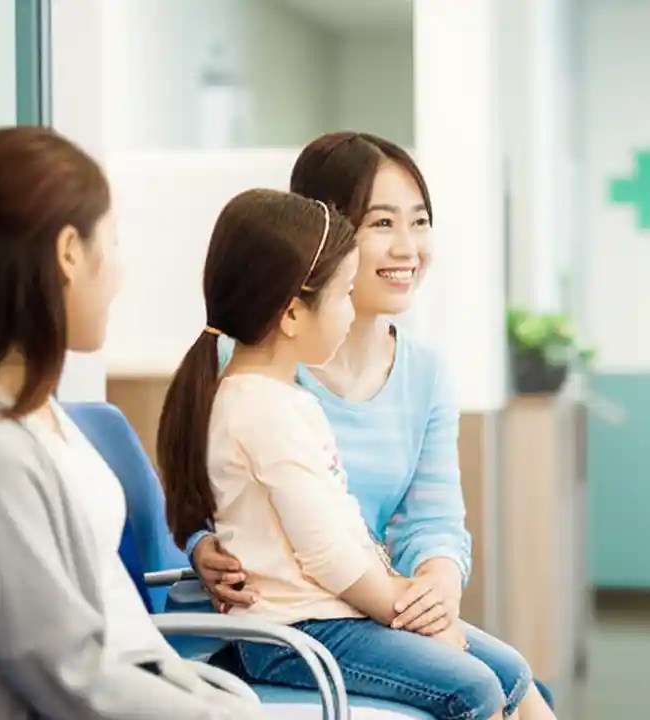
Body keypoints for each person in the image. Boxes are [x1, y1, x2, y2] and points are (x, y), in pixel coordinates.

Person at [183, 132, 556, 713]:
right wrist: (200, 543)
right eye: (382, 224)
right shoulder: (255, 372)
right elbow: (201, 493)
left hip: (364, 601)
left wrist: (433, 591)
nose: (408, 247)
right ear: (321, 236)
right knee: (487, 688)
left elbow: (433, 523)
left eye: (420, 221)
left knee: (522, 684)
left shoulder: (424, 373)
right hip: (302, 616)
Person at [0, 127, 263, 719]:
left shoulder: (36, 419)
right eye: (114, 242)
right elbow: (68, 676)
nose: (119, 274)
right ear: (70, 251)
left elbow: (123, 640)